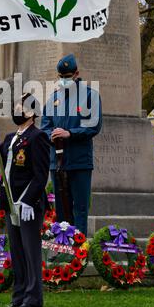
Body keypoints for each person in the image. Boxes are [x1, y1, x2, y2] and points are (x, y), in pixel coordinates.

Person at [0, 93, 50, 307]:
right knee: (17, 251)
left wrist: (28, 201)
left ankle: (33, 298)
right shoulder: (12, 137)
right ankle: (19, 296)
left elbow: (41, 175)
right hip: (11, 202)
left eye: (20, 107)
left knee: (30, 251)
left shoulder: (38, 137)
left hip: (28, 205)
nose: (15, 110)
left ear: (31, 113)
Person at [41, 53, 102, 236]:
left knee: (80, 208)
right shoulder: (53, 98)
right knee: (61, 209)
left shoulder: (90, 96)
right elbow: (45, 125)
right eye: (61, 77)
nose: (63, 80)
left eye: (67, 77)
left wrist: (70, 133)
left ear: (76, 74)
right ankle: (63, 247)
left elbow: (94, 125)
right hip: (57, 161)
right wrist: (51, 135)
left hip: (79, 161)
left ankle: (79, 250)